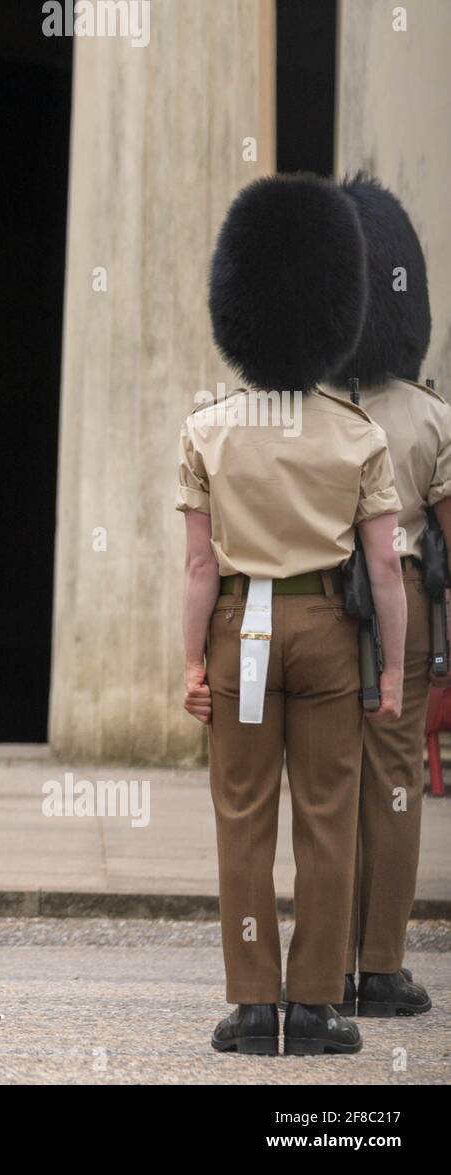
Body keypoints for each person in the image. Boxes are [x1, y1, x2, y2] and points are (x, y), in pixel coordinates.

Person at [178, 174, 406, 1057]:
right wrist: (390, 669)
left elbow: (200, 563)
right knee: (326, 818)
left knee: (243, 820)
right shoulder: (358, 433)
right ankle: (313, 1005)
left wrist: (191, 662)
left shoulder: (211, 428)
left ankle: (248, 1003)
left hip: (244, 630)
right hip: (329, 634)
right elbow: (385, 564)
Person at [329, 176, 442, 1018]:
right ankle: (381, 965)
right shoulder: (430, 417)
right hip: (402, 587)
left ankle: (327, 963)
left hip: (322, 594)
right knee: (394, 776)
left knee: (331, 778)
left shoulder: (304, 406)